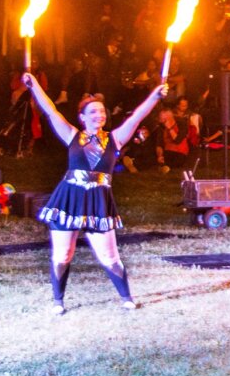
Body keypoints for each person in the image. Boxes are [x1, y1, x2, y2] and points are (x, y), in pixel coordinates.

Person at [22, 72, 167, 313]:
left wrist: (155, 96)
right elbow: (50, 110)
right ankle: (58, 301)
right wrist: (34, 85)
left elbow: (138, 116)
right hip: (69, 199)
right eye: (93, 112)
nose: (99, 115)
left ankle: (126, 297)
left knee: (110, 257)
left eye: (102, 111)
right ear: (82, 118)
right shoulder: (71, 135)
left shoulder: (115, 139)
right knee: (63, 255)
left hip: (98, 201)